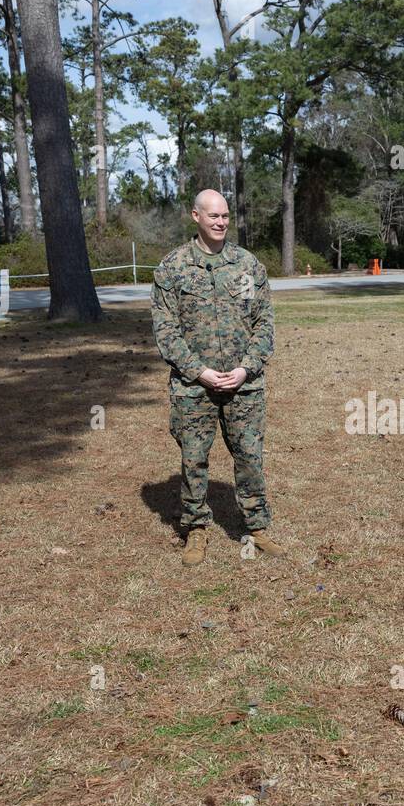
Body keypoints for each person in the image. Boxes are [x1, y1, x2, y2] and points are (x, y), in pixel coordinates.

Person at [151, 189, 286, 565]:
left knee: (250, 457)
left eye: (225, 215)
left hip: (245, 387)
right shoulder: (173, 268)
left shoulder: (248, 265)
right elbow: (166, 331)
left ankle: (256, 528)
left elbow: (264, 324)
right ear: (196, 216)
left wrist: (245, 369)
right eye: (213, 216)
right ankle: (195, 528)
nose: (221, 222)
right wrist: (200, 372)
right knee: (194, 459)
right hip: (195, 388)